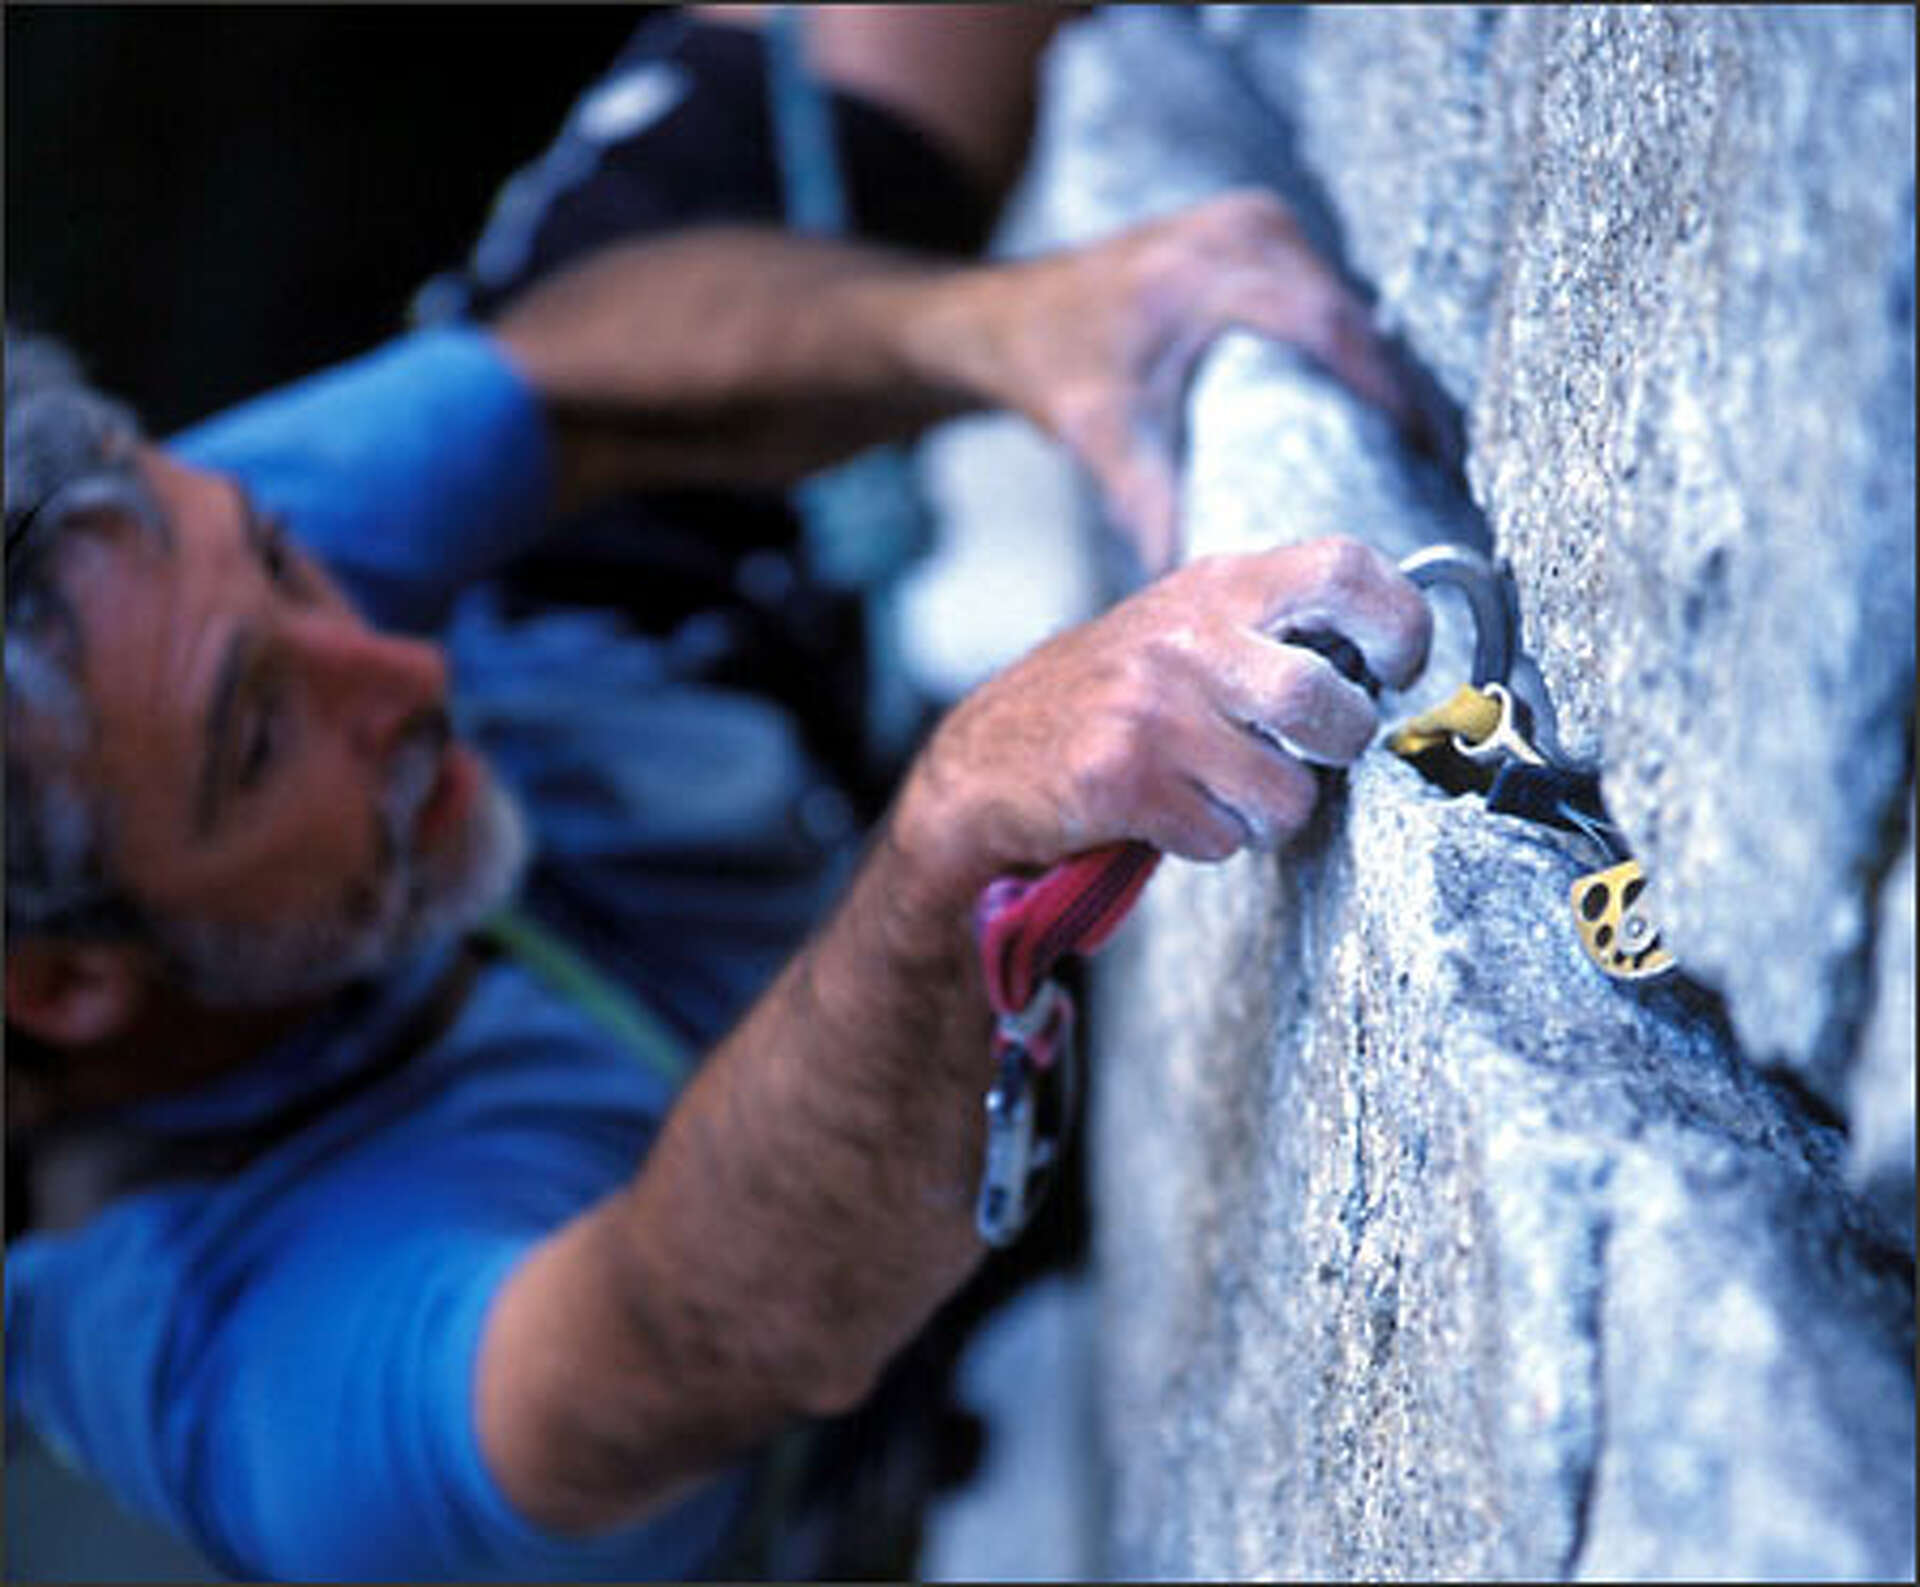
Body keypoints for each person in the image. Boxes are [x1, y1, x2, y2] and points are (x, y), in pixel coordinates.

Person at [4, 8, 1433, 1579]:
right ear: (70, 984)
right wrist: (948, 843)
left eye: (288, 559)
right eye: (261, 741)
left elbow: (562, 385)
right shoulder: (244, 1363)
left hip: (653, 688)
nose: (399, 672)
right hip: (872, 1322)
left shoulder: (136, 589)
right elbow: (690, 1329)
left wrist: (1018, 326)